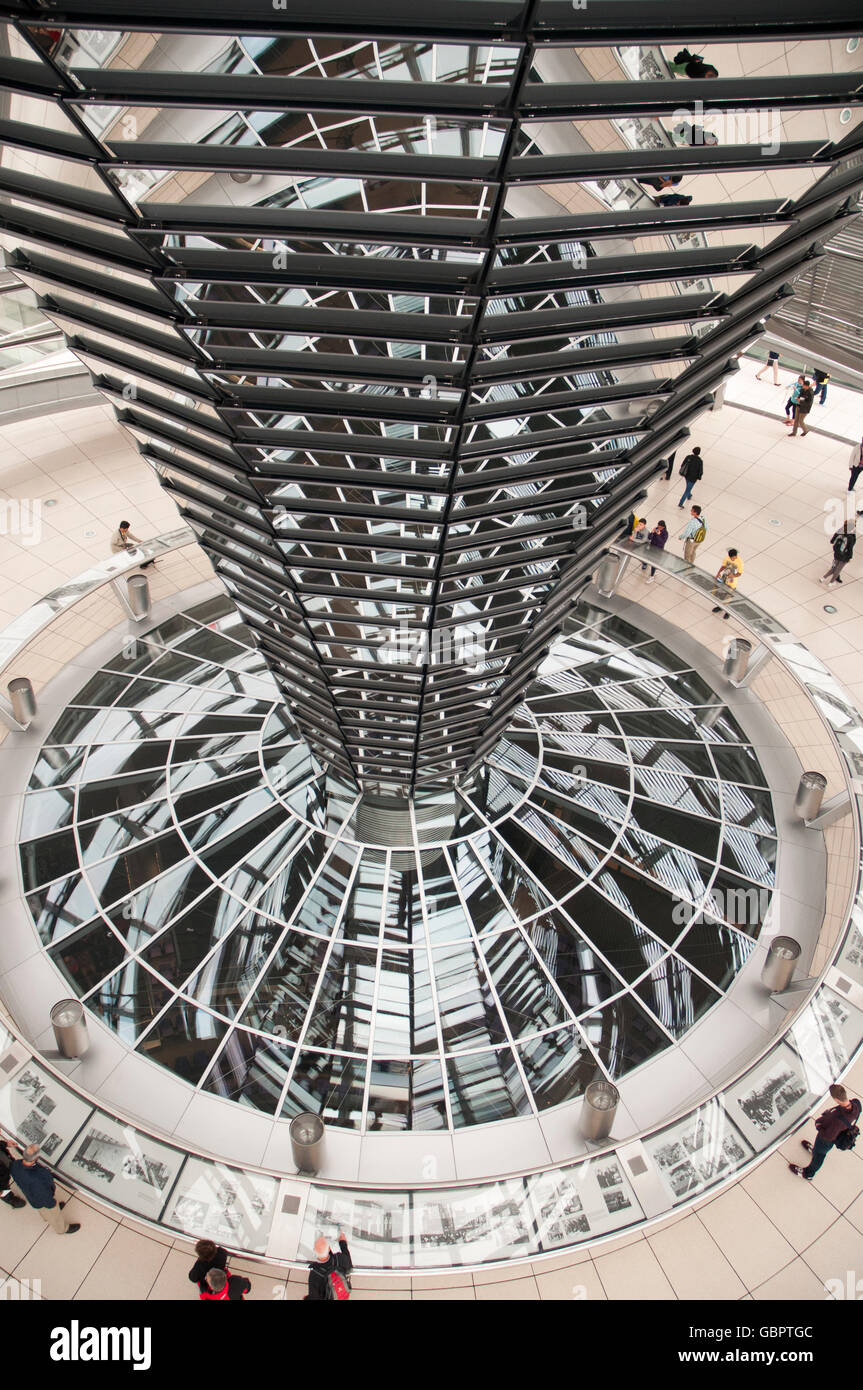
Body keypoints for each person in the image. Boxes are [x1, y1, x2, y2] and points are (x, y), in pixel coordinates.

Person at [3, 1139, 79, 1233]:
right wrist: (53, 1204)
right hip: (44, 1200)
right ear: (36, 1158)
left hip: (32, 1197)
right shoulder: (38, 1177)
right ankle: (62, 1229)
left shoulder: (16, 1164)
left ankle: (46, 1217)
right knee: (54, 1213)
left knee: (42, 1210)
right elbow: (45, 1195)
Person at [789, 1083, 861, 1181]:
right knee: (818, 1151)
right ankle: (815, 1151)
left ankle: (809, 1174)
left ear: (836, 1100)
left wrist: (818, 1125)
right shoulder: (856, 1104)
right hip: (838, 1132)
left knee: (820, 1154)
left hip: (827, 1140)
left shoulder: (837, 1121)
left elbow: (827, 1136)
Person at [305, 1233, 353, 1301]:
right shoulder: (339, 1259)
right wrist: (342, 1242)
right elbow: (349, 1265)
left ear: (315, 1252)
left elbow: (314, 1297)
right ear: (329, 1249)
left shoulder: (315, 1275)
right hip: (341, 1294)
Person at [710, 547, 743, 619]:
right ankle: (720, 607)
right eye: (730, 557)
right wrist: (718, 573)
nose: (731, 559)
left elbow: (739, 573)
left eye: (733, 558)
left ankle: (728, 612)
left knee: (729, 598)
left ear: (736, 556)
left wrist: (733, 576)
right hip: (724, 579)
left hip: (732, 583)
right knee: (722, 595)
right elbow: (723, 566)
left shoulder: (740, 562)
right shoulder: (727, 558)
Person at [821, 522, 855, 588]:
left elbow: (832, 541)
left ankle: (823, 578)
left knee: (834, 567)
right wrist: (850, 557)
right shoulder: (850, 537)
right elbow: (850, 548)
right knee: (838, 569)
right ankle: (831, 582)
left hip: (836, 553)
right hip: (844, 556)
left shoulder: (840, 532)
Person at [0, 1136, 26, 1209]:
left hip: (6, 1162)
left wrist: (5, 1144)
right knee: (4, 1191)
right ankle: (10, 1199)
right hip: (2, 1180)